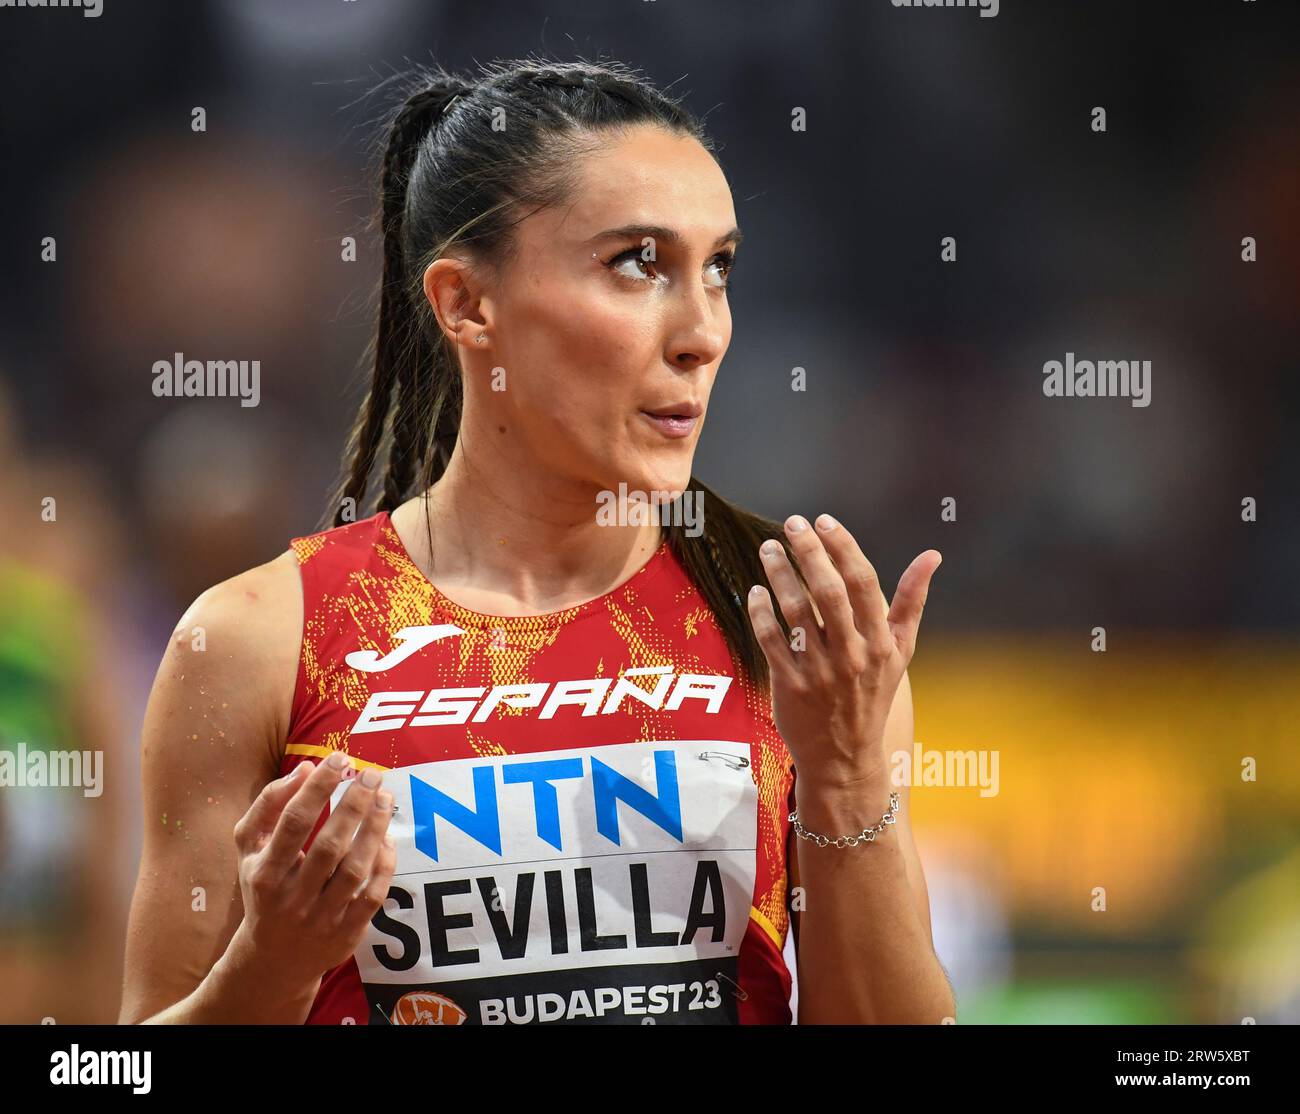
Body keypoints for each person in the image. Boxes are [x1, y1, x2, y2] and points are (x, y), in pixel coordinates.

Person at [118, 57, 953, 1026]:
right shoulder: (257, 640)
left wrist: (846, 780)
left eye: (717, 268)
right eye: (638, 263)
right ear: (466, 304)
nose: (702, 333)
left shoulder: (795, 626)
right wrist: (270, 965)